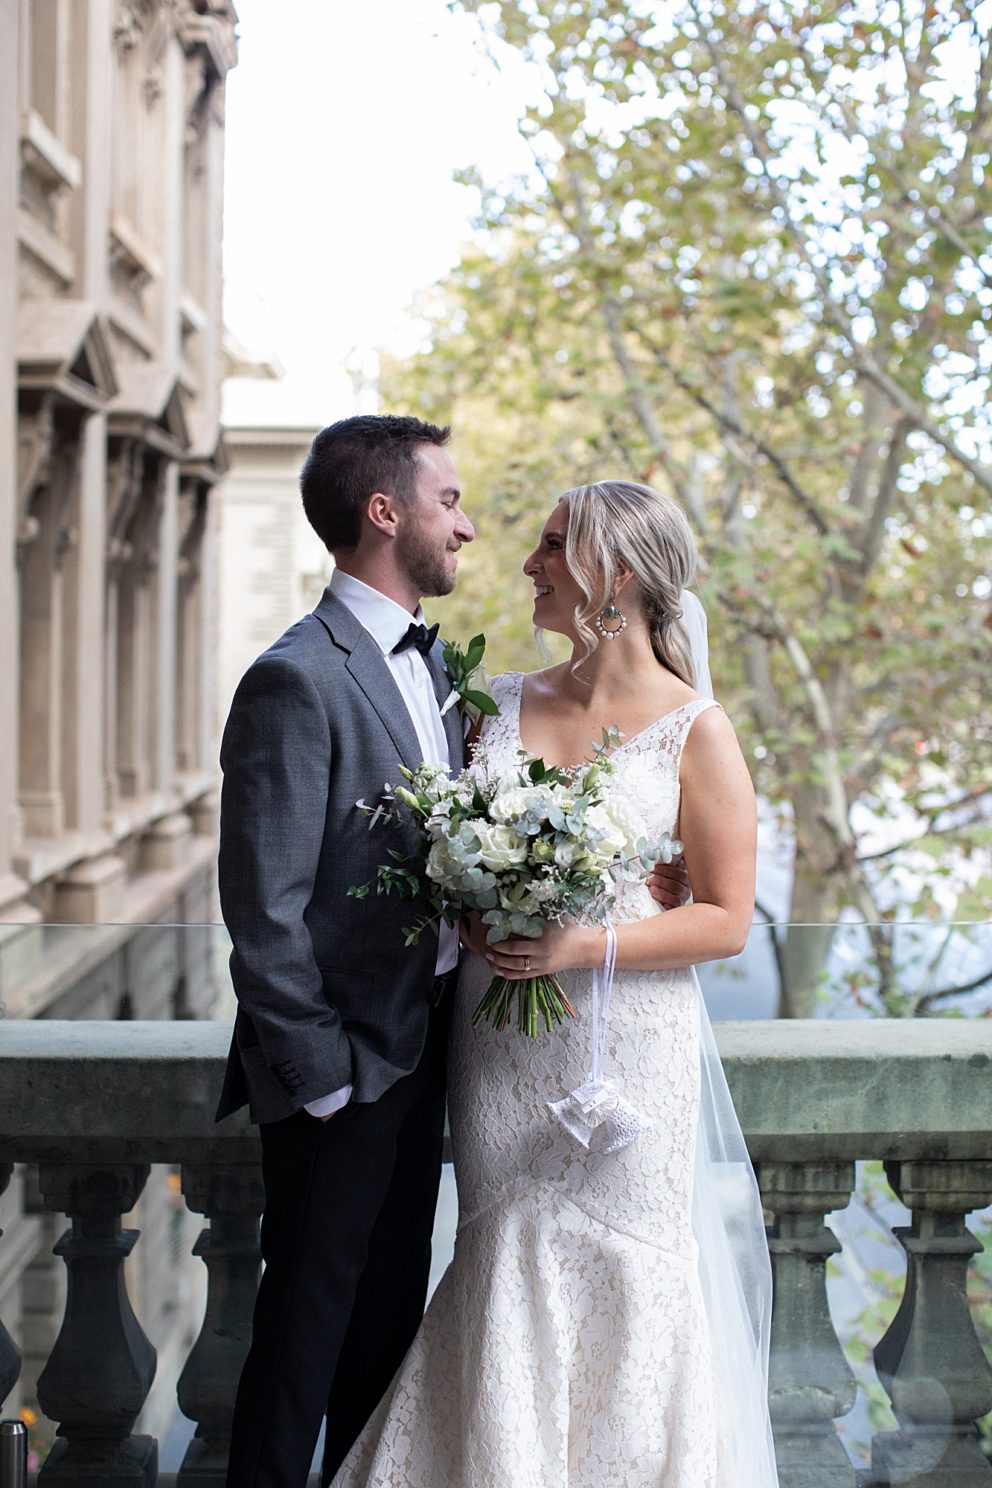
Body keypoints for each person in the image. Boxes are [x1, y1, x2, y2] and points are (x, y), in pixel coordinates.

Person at [333, 479, 778, 1487]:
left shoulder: (694, 729)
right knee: (501, 1253)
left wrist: (586, 947)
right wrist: (462, 894)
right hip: (497, 1039)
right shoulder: (492, 703)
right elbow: (440, 850)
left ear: (610, 573)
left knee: (628, 1266)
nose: (525, 563)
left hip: (629, 1047)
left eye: (548, 547)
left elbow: (723, 917)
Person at [216, 414, 474, 1488]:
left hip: (424, 1057)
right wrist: (324, 1084)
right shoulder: (295, 678)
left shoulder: (441, 670)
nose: (464, 525)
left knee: (388, 1324)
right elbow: (262, 913)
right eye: (447, 500)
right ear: (385, 513)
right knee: (301, 1337)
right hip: (341, 1079)